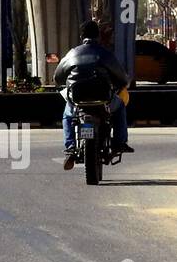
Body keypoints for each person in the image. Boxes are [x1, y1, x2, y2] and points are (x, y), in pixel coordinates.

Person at [54, 20, 132, 170]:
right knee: (120, 106)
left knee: (67, 116)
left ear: (81, 35)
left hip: (76, 100)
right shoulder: (105, 53)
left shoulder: (72, 53)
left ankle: (70, 147)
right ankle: (119, 142)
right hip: (103, 99)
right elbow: (122, 77)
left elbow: (57, 78)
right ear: (98, 36)